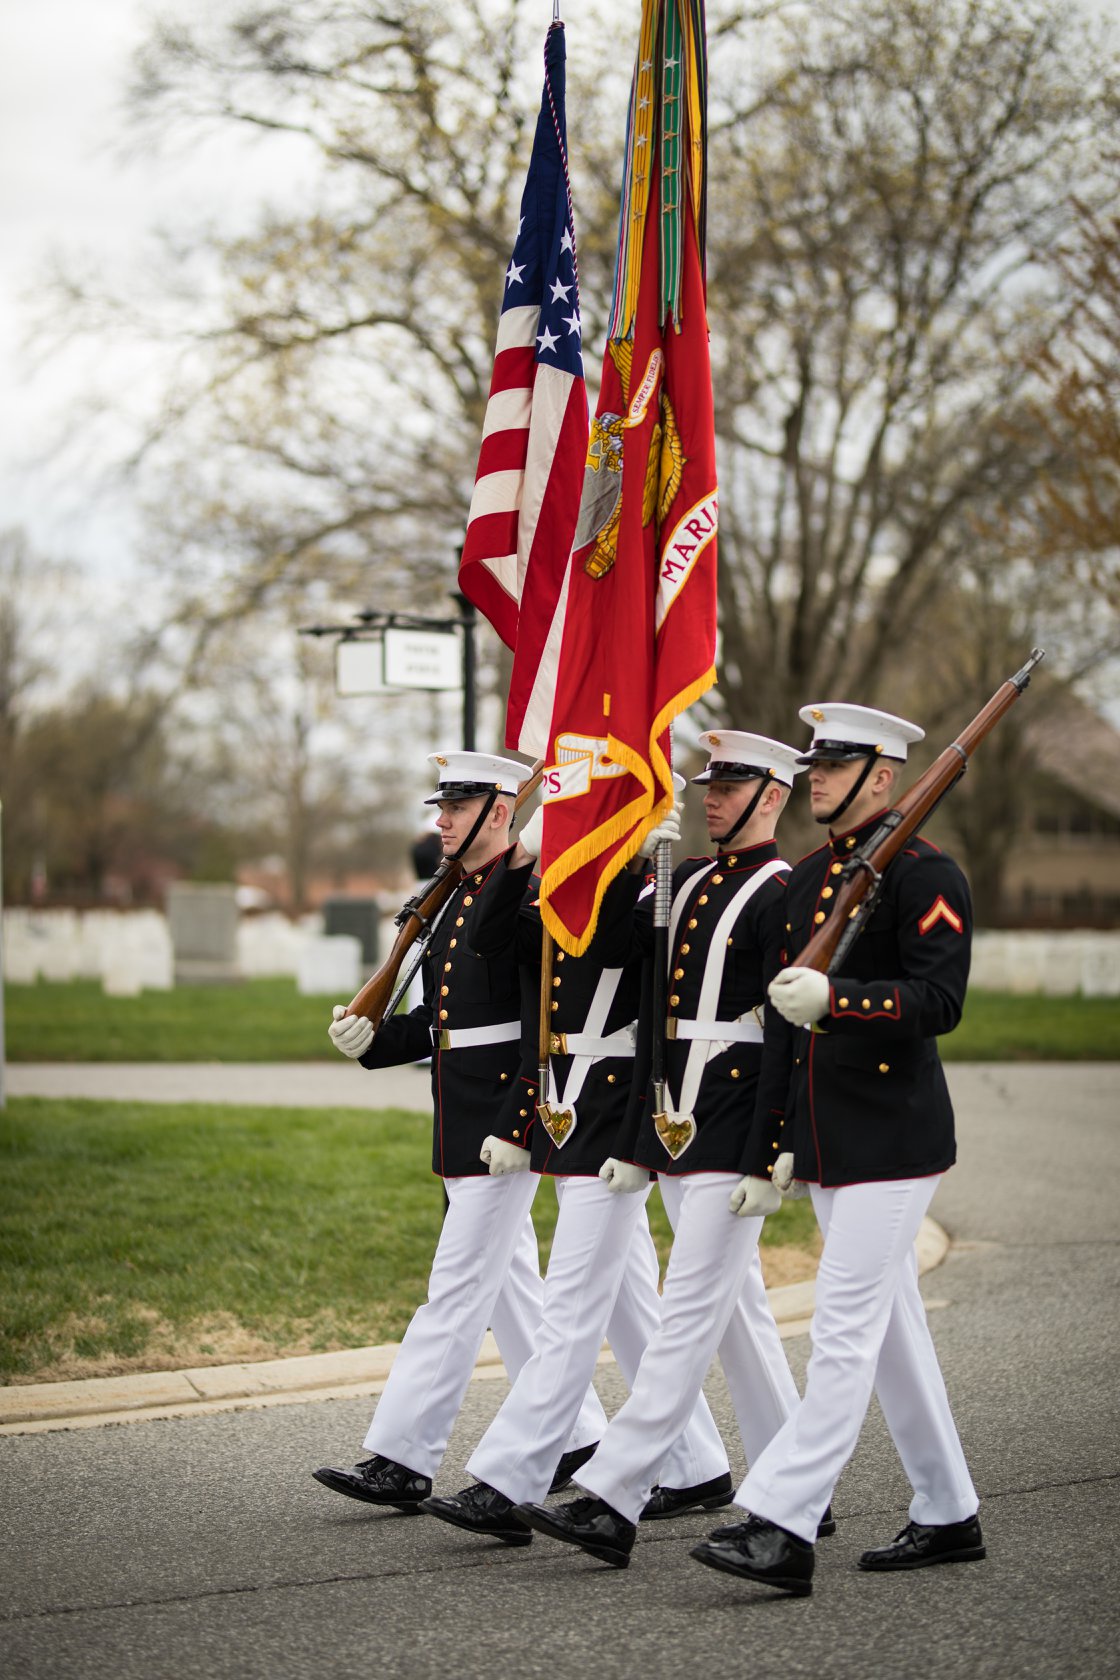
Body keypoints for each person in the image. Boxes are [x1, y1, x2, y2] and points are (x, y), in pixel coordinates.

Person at [690, 703, 983, 1598]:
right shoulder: (809, 877)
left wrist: (841, 1000)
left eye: (836, 766)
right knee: (890, 1333)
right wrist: (772, 1144)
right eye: (813, 764)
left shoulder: (928, 875)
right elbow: (781, 1031)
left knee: (844, 1330)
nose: (813, 778)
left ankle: (781, 1522)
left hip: (894, 1140)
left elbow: (938, 1003)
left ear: (884, 778)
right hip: (826, 1141)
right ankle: (947, 1511)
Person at [514, 732, 819, 1569]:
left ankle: (612, 1496)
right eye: (706, 784)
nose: (711, 796)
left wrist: (771, 1151)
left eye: (731, 785)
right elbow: (625, 972)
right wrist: (624, 856)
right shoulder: (680, 881)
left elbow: (789, 1037)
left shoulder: (781, 892)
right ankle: (802, 1491)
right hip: (677, 1113)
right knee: (738, 1316)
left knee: (687, 1313)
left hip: (733, 1115)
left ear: (773, 795)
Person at [421, 793, 731, 1548]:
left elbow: (632, 970)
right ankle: (694, 1465)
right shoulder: (554, 889)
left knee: (567, 1309)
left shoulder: (648, 896)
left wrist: (631, 864)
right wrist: (522, 856)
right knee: (627, 1305)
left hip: (613, 1116)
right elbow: (499, 941)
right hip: (567, 1106)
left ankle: (510, 1477)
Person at [312, 750, 605, 1513]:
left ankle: (403, 1457)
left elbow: (537, 1021)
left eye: (456, 807)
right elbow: (449, 1023)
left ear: (501, 811)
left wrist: (519, 1120)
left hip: (501, 1121)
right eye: (440, 807)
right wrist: (374, 1040)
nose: (439, 821)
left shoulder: (521, 893)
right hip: (462, 1113)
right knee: (511, 1292)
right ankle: (580, 1436)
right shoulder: (457, 893)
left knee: (454, 1291)